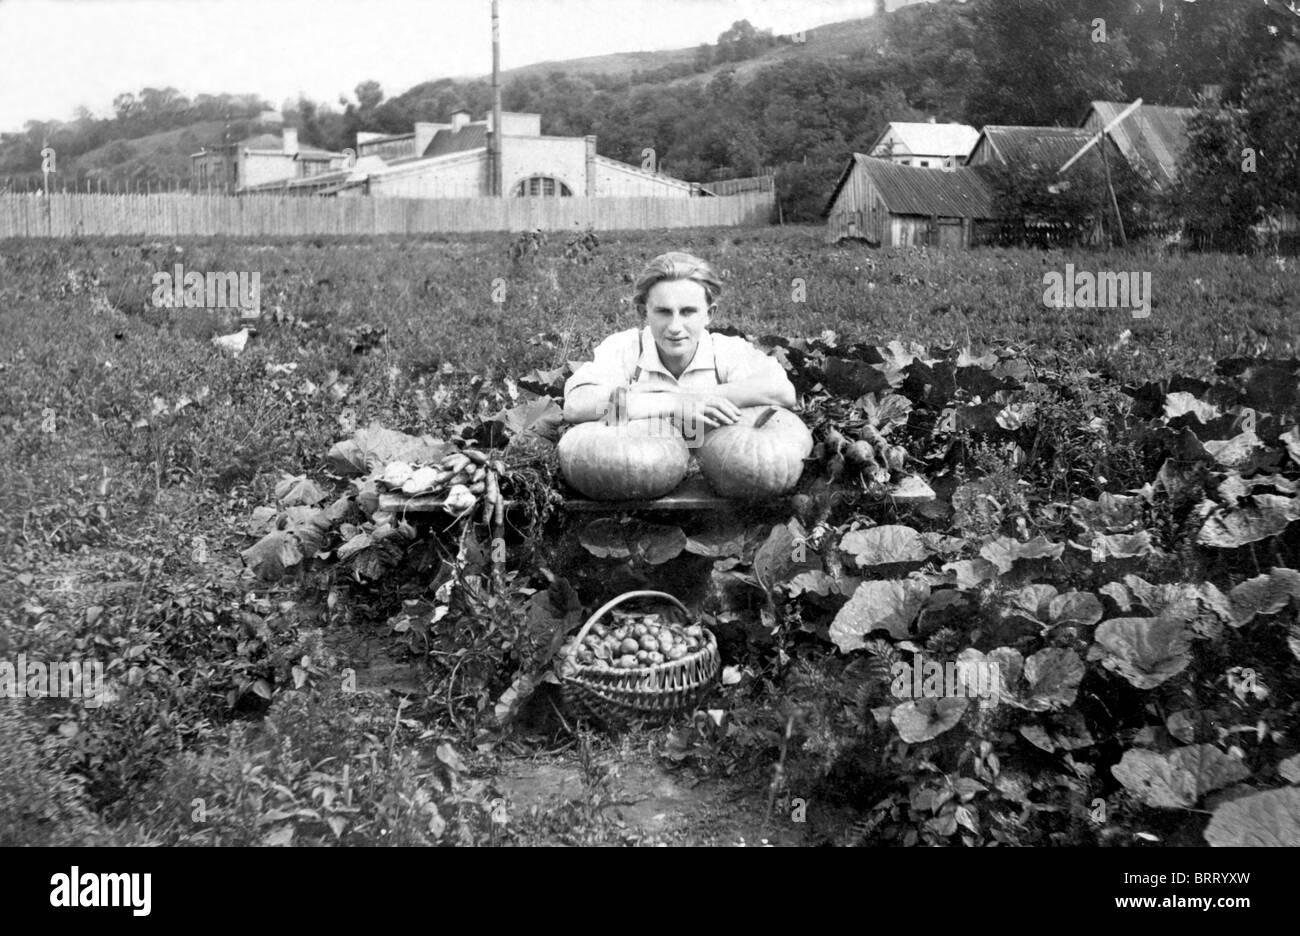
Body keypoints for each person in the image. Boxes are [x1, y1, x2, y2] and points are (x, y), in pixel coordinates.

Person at [562, 251, 796, 435]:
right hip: (638, 466)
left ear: (709, 314)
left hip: (718, 467)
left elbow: (782, 391)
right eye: (663, 312)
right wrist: (673, 402)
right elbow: (576, 405)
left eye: (687, 312)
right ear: (645, 312)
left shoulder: (724, 350)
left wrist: (698, 396)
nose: (675, 326)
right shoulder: (625, 349)